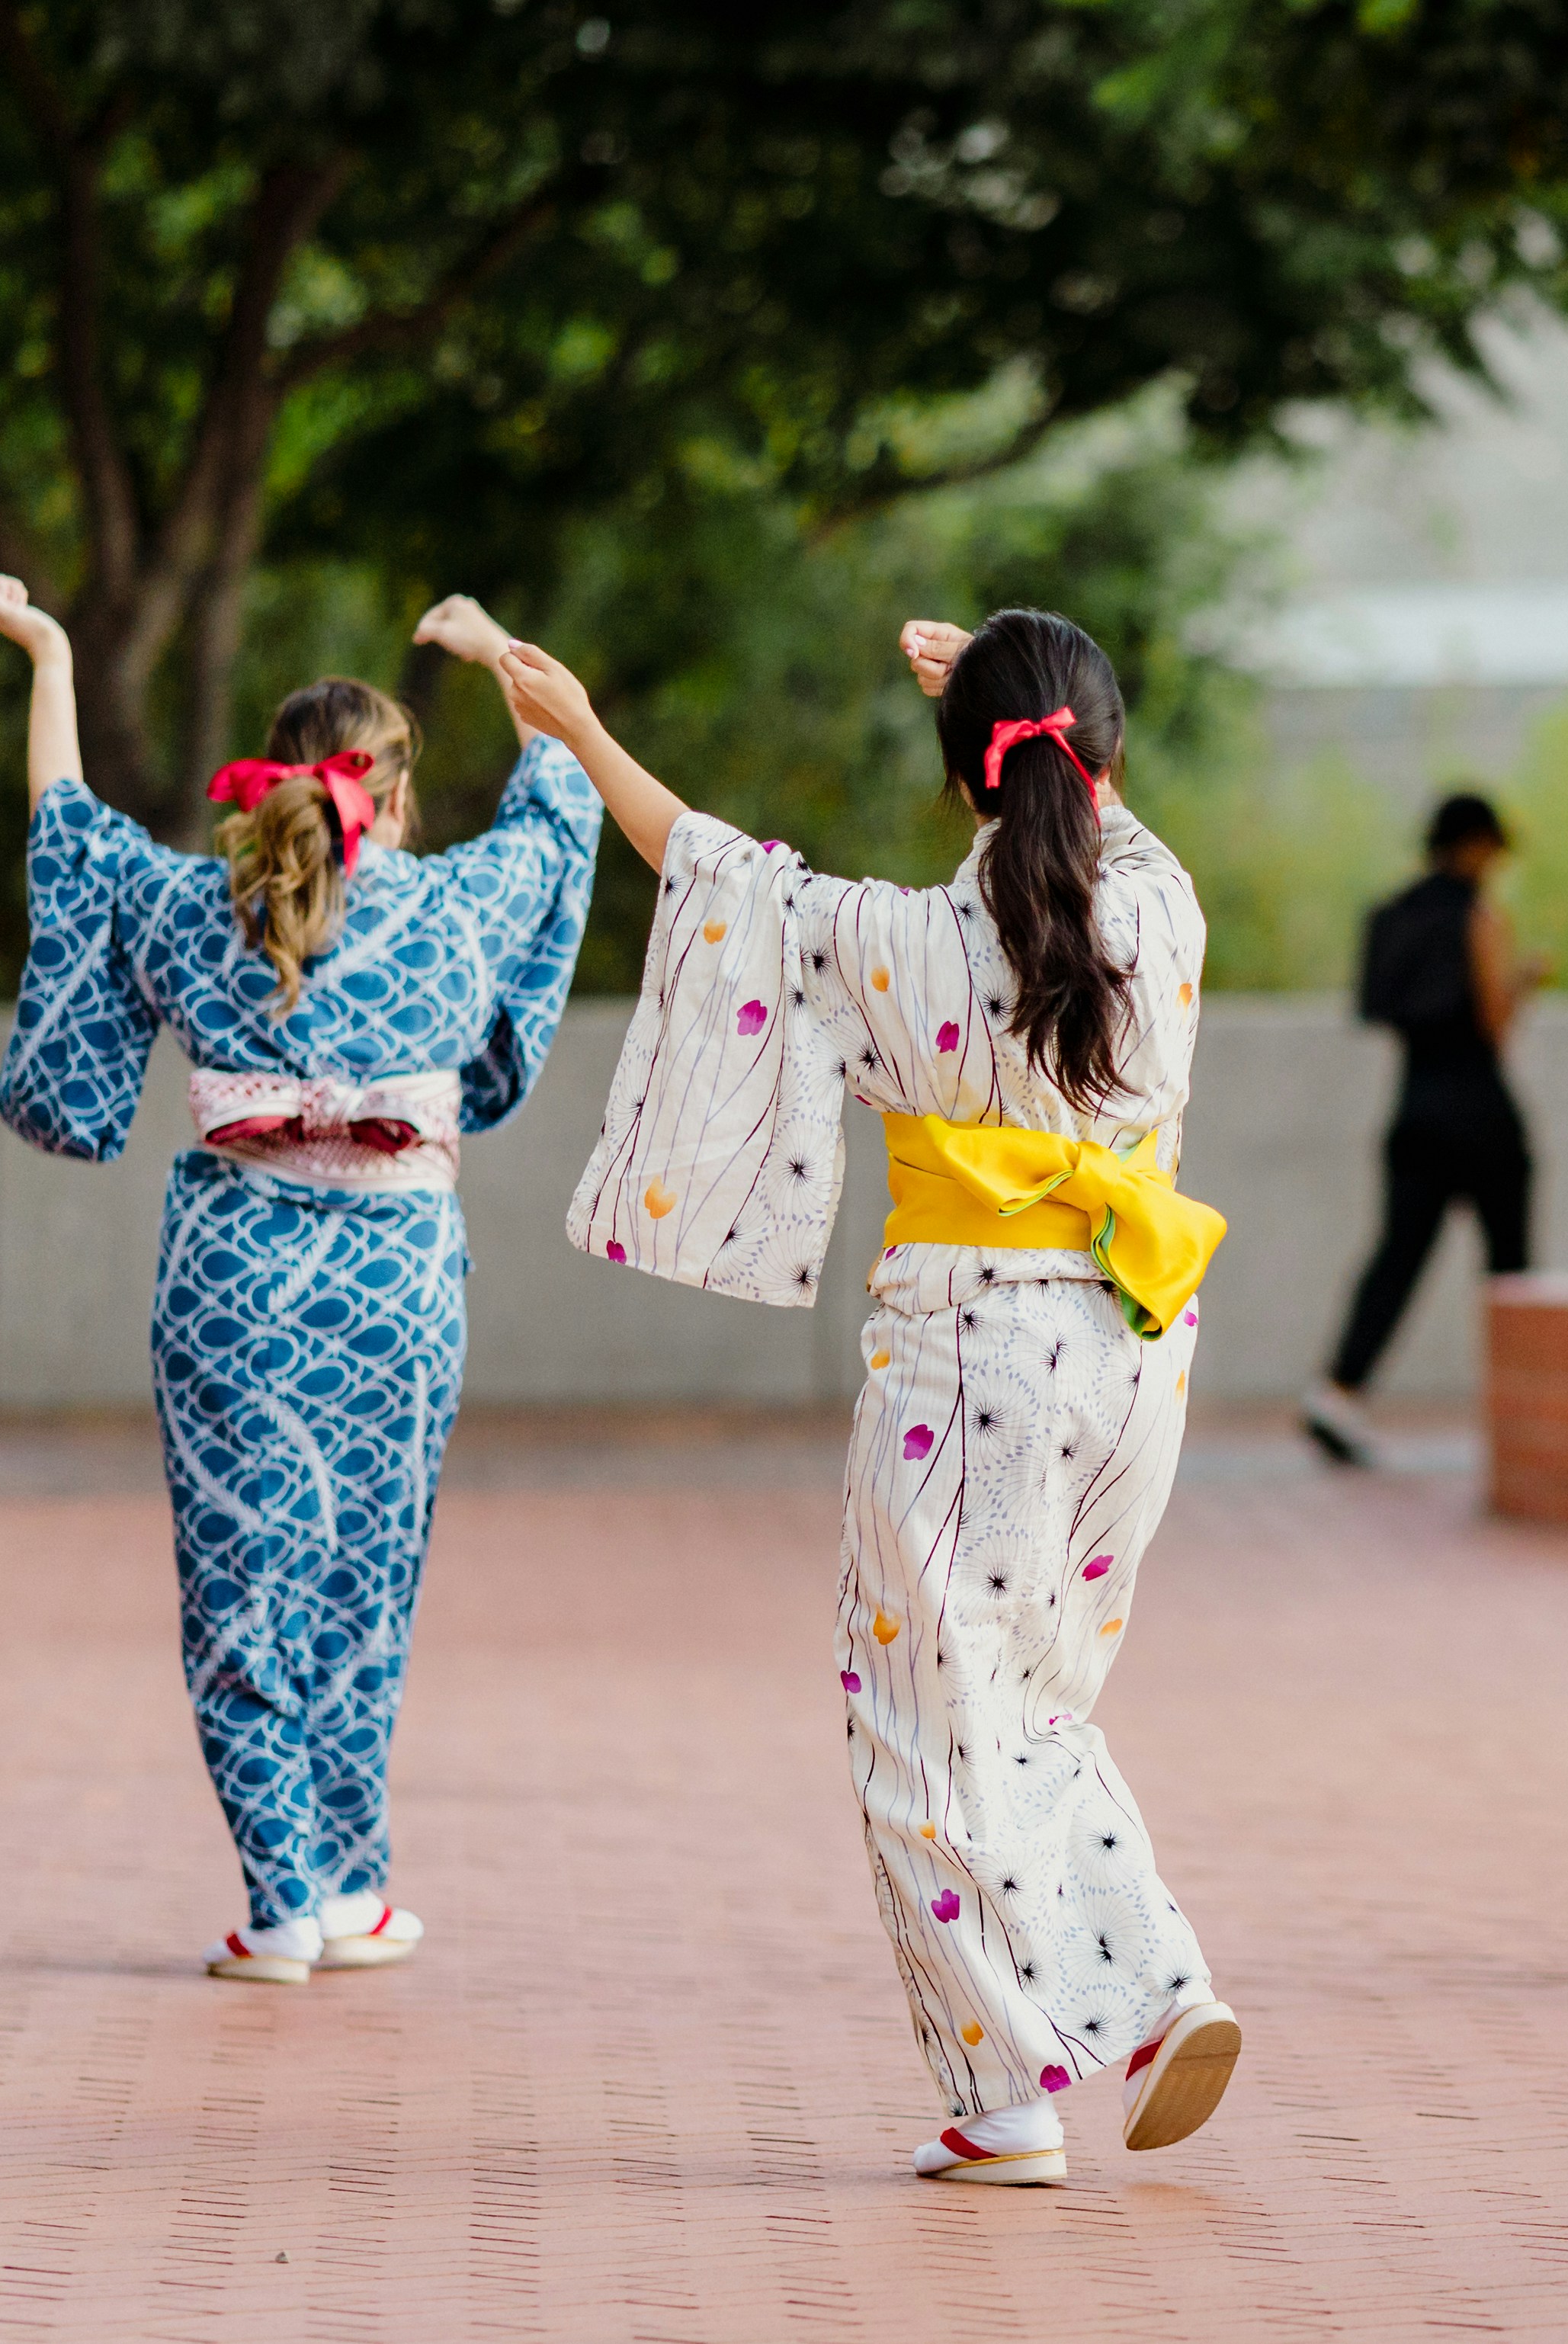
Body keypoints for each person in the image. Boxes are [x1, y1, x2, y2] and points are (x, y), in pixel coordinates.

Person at [499, 608, 1241, 2187]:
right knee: (1036, 1702)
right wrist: (1016, 696)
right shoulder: (1164, 914)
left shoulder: (904, 941)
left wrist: (576, 728)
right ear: (1104, 759)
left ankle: (1003, 2090)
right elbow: (1094, 814)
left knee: (917, 1723)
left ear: (959, 780)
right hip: (1134, 1341)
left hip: (969, 1353)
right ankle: (1155, 1984)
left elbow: (716, 869)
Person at [0, 577, 603, 1986]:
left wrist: (54, 654)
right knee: (364, 1584)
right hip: (396, 1287)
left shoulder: (195, 907)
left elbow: (64, 827)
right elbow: (561, 801)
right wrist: (496, 647)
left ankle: (280, 1903)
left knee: (239, 1583)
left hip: (232, 1279)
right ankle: (351, 1886)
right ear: (389, 790)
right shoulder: (450, 912)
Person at [1303, 790, 1547, 1466]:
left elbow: (1377, 1009)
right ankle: (1521, 1410)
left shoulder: (1395, 916)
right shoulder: (1479, 914)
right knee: (1510, 1267)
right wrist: (1523, 980)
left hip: (1415, 1105)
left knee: (1397, 1256)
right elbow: (1494, 1022)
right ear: (1475, 845)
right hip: (1481, 1107)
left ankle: (1337, 1391)